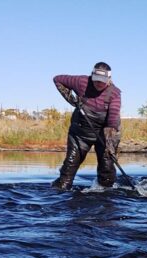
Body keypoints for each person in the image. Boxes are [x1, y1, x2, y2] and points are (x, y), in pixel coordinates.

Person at [52, 62, 122, 190]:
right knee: (69, 166)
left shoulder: (114, 94)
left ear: (109, 80)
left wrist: (109, 147)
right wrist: (71, 99)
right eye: (96, 80)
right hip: (80, 134)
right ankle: (60, 192)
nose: (98, 84)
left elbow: (112, 121)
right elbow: (57, 79)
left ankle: (106, 194)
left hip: (105, 133)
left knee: (106, 169)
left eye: (102, 81)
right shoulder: (82, 82)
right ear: (92, 76)